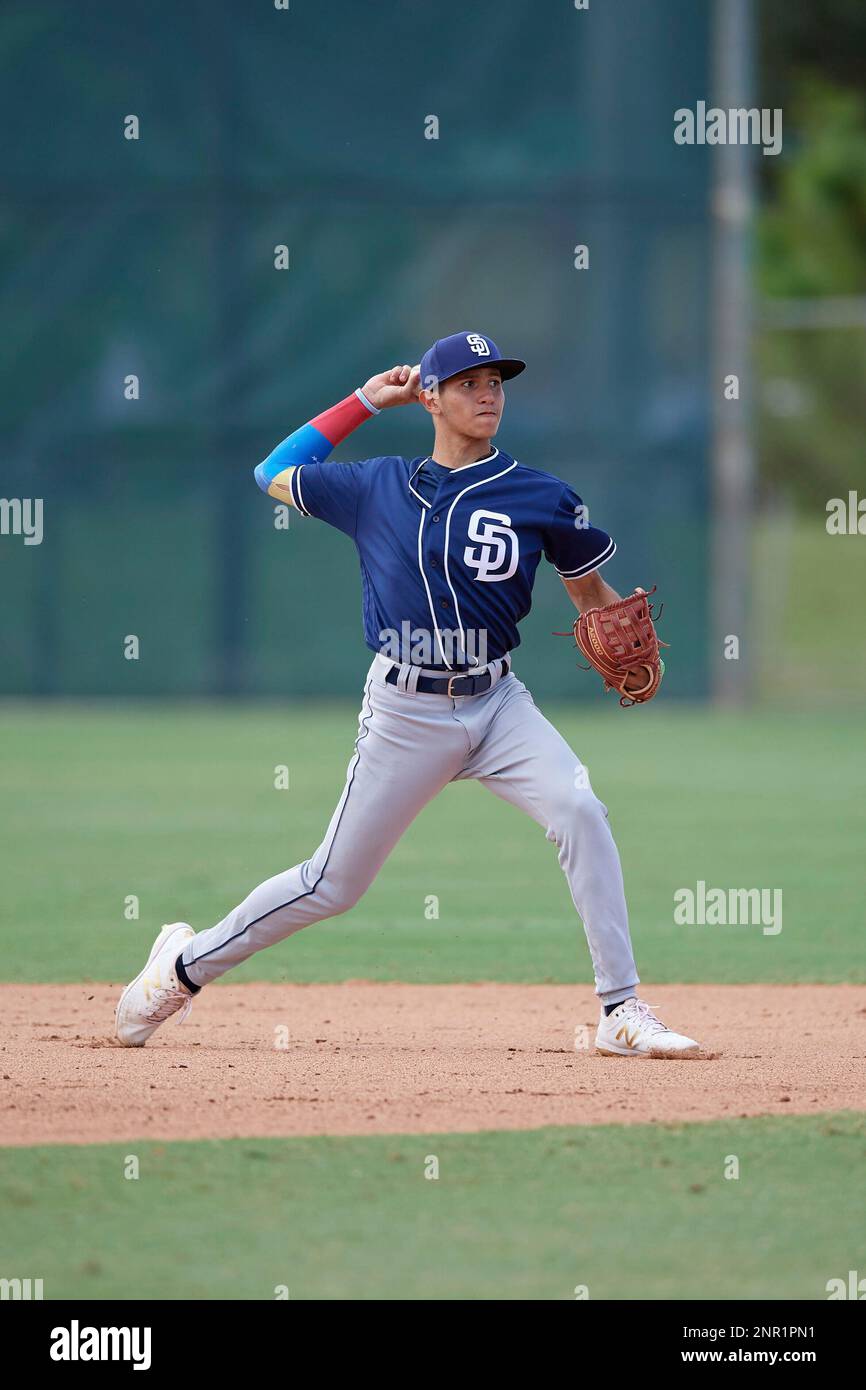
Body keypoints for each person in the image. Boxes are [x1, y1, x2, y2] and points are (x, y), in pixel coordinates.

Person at [115, 331, 701, 1059]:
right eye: (468, 383)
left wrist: (617, 630)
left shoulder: (541, 495)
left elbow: (590, 593)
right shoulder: (374, 486)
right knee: (332, 885)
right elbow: (273, 469)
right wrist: (364, 400)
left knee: (580, 808)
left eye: (496, 383)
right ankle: (179, 970)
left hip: (498, 703)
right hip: (405, 711)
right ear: (431, 396)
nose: (488, 395)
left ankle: (621, 1010)